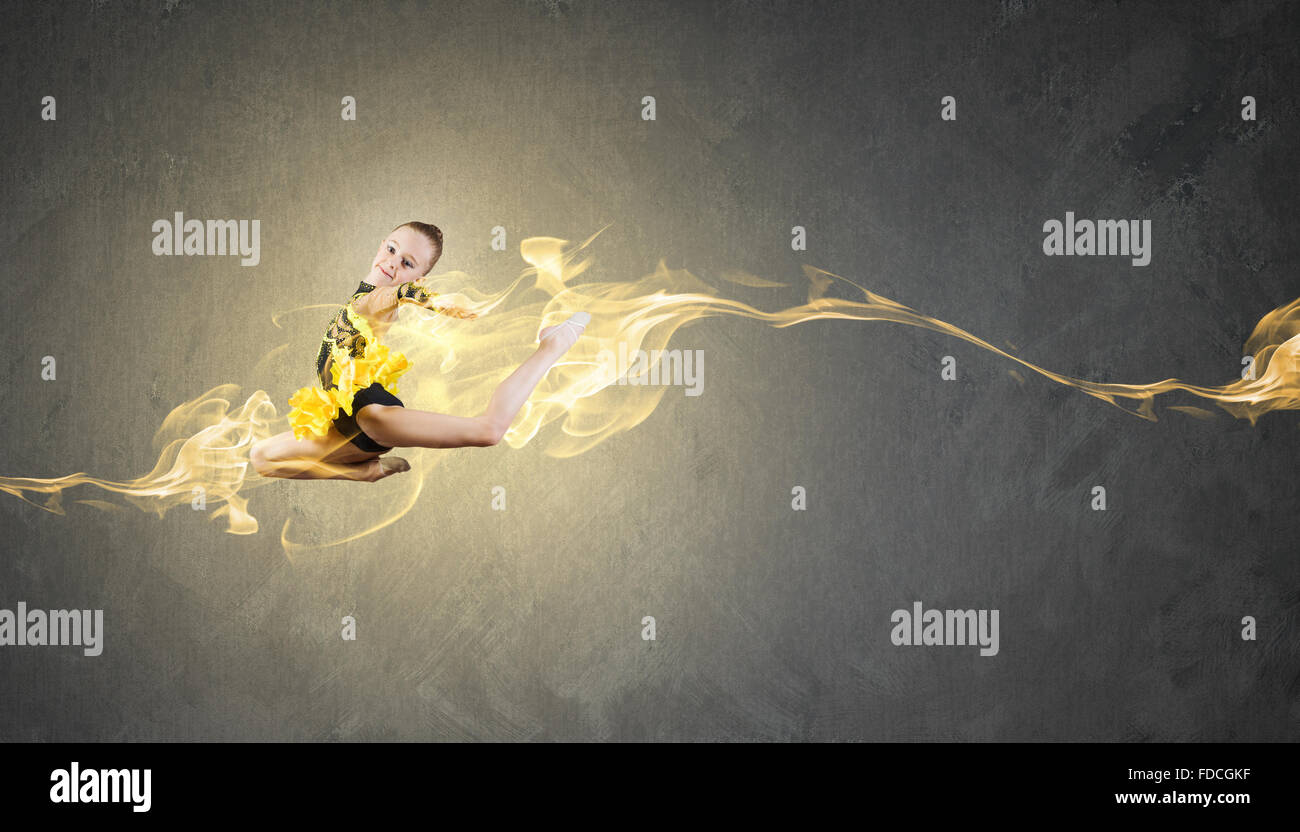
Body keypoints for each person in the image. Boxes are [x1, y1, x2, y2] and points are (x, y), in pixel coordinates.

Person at [250, 221, 589, 482]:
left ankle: (555, 344)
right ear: (382, 243)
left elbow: (397, 295)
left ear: (418, 277)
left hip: (371, 414)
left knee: (488, 431)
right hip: (343, 424)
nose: (392, 263)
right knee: (262, 459)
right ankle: (363, 473)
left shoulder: (377, 300)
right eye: (392, 249)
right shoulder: (364, 292)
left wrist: (432, 300)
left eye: (407, 263)